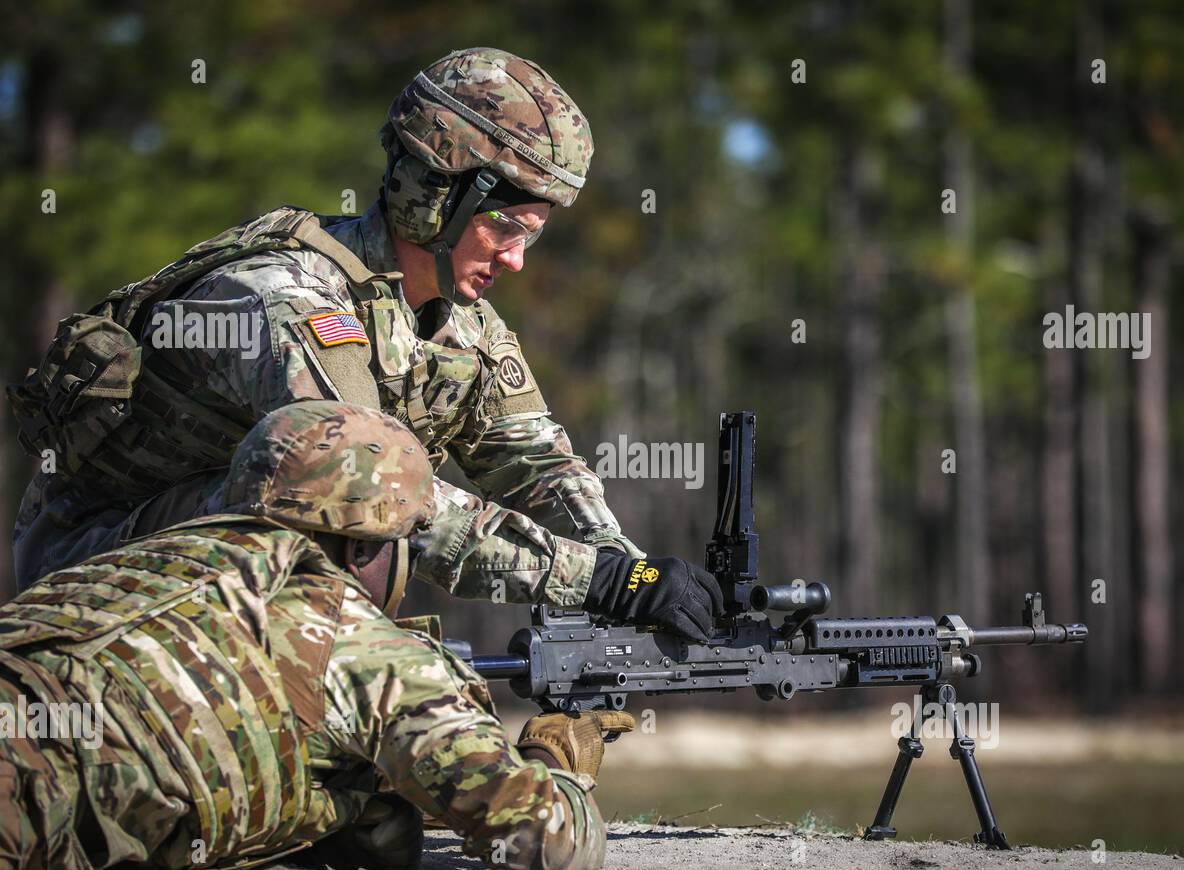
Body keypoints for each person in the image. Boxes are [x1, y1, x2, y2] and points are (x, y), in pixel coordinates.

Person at [8, 46, 721, 644]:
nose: (516, 261)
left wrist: (635, 574)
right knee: (346, 512)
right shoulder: (286, 300)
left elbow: (532, 459)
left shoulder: (460, 319)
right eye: (505, 229)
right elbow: (369, 490)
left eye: (531, 237)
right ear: (440, 197)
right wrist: (594, 582)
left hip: (201, 559)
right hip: (89, 569)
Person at [0, 401, 638, 870]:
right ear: (365, 545)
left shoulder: (133, 559)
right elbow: (545, 838)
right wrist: (558, 766)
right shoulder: (356, 639)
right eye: (406, 542)